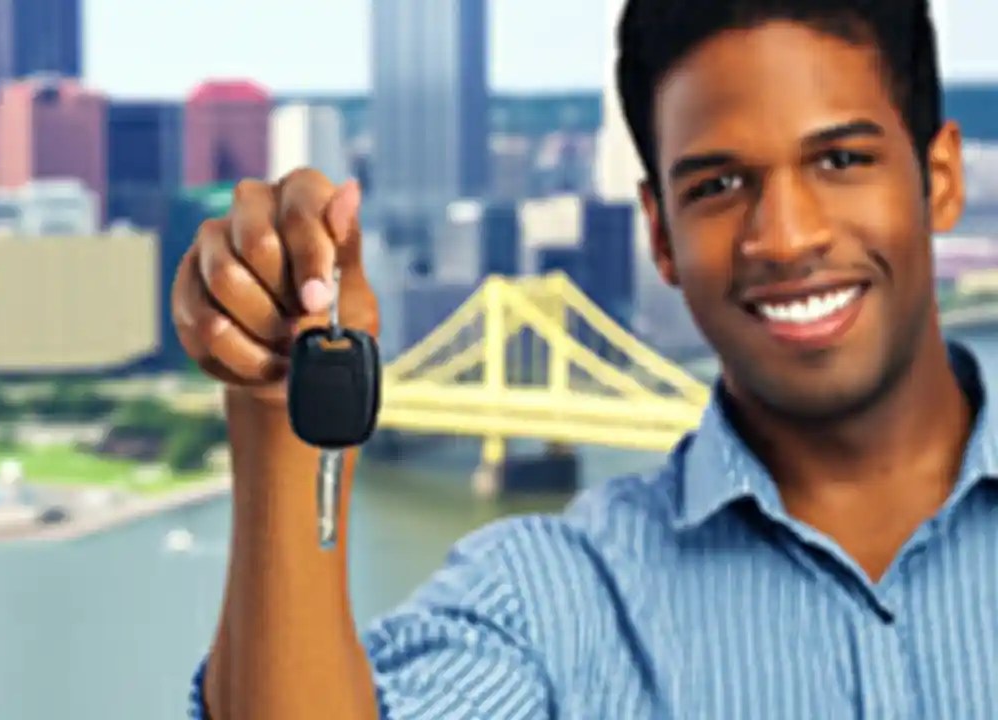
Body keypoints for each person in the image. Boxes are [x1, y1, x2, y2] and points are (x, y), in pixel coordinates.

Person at [174, 0, 998, 717]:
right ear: (660, 234)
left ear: (942, 179)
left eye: (840, 161)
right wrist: (283, 404)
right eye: (717, 186)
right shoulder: (551, 601)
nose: (785, 237)